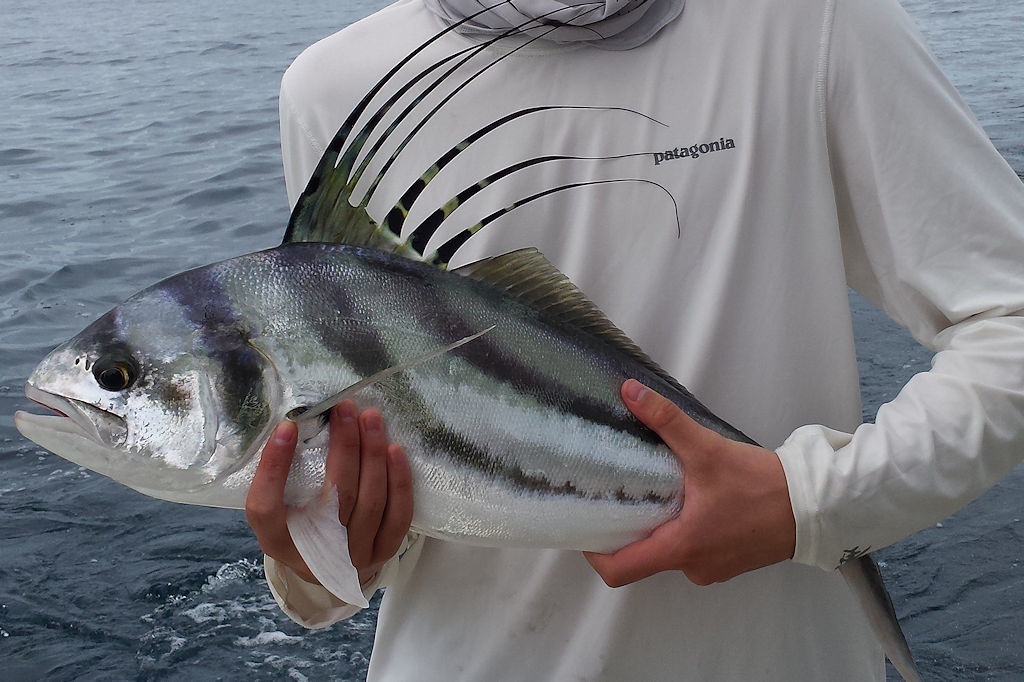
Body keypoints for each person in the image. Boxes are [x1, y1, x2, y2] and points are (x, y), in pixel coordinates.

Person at [245, 0, 1024, 678]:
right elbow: (368, 456)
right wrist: (321, 551)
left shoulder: (815, 21)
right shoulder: (334, 89)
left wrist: (811, 504)